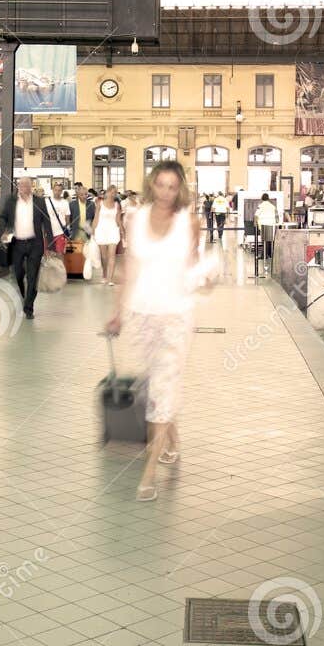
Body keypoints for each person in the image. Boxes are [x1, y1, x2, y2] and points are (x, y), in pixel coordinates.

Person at [106, 160, 200, 502]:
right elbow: (128, 268)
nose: (165, 192)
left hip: (176, 315)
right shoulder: (136, 219)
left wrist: (206, 279)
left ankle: (148, 475)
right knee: (159, 385)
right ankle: (172, 441)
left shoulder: (189, 222)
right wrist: (117, 312)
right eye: (160, 185)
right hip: (142, 314)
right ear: (151, 185)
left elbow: (192, 269)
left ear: (180, 189)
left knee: (161, 387)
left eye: (172, 187)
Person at [0, 175, 53, 318]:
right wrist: (4, 230)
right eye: (22, 185)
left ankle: (29, 308)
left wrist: (50, 245)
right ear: (18, 186)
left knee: (32, 277)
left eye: (27, 185)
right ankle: (23, 297)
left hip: (35, 244)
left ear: (31, 187)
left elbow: (46, 221)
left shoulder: (39, 202)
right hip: (17, 243)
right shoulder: (11, 201)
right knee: (18, 274)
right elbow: (2, 217)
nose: (24, 188)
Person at [92, 185, 124, 285]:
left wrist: (122, 230)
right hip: (101, 230)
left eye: (115, 193)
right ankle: (104, 274)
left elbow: (118, 219)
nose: (113, 194)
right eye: (112, 192)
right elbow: (96, 217)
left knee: (112, 255)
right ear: (108, 192)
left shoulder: (117, 205)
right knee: (104, 256)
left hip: (113, 230)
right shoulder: (99, 203)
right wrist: (93, 231)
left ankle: (110, 279)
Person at [256, 193, 279, 263]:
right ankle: (270, 255)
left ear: (262, 198)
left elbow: (256, 215)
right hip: (272, 224)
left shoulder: (260, 206)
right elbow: (276, 216)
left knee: (264, 241)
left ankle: (264, 255)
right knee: (270, 240)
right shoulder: (273, 206)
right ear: (268, 198)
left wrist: (255, 223)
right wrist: (277, 223)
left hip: (263, 225)